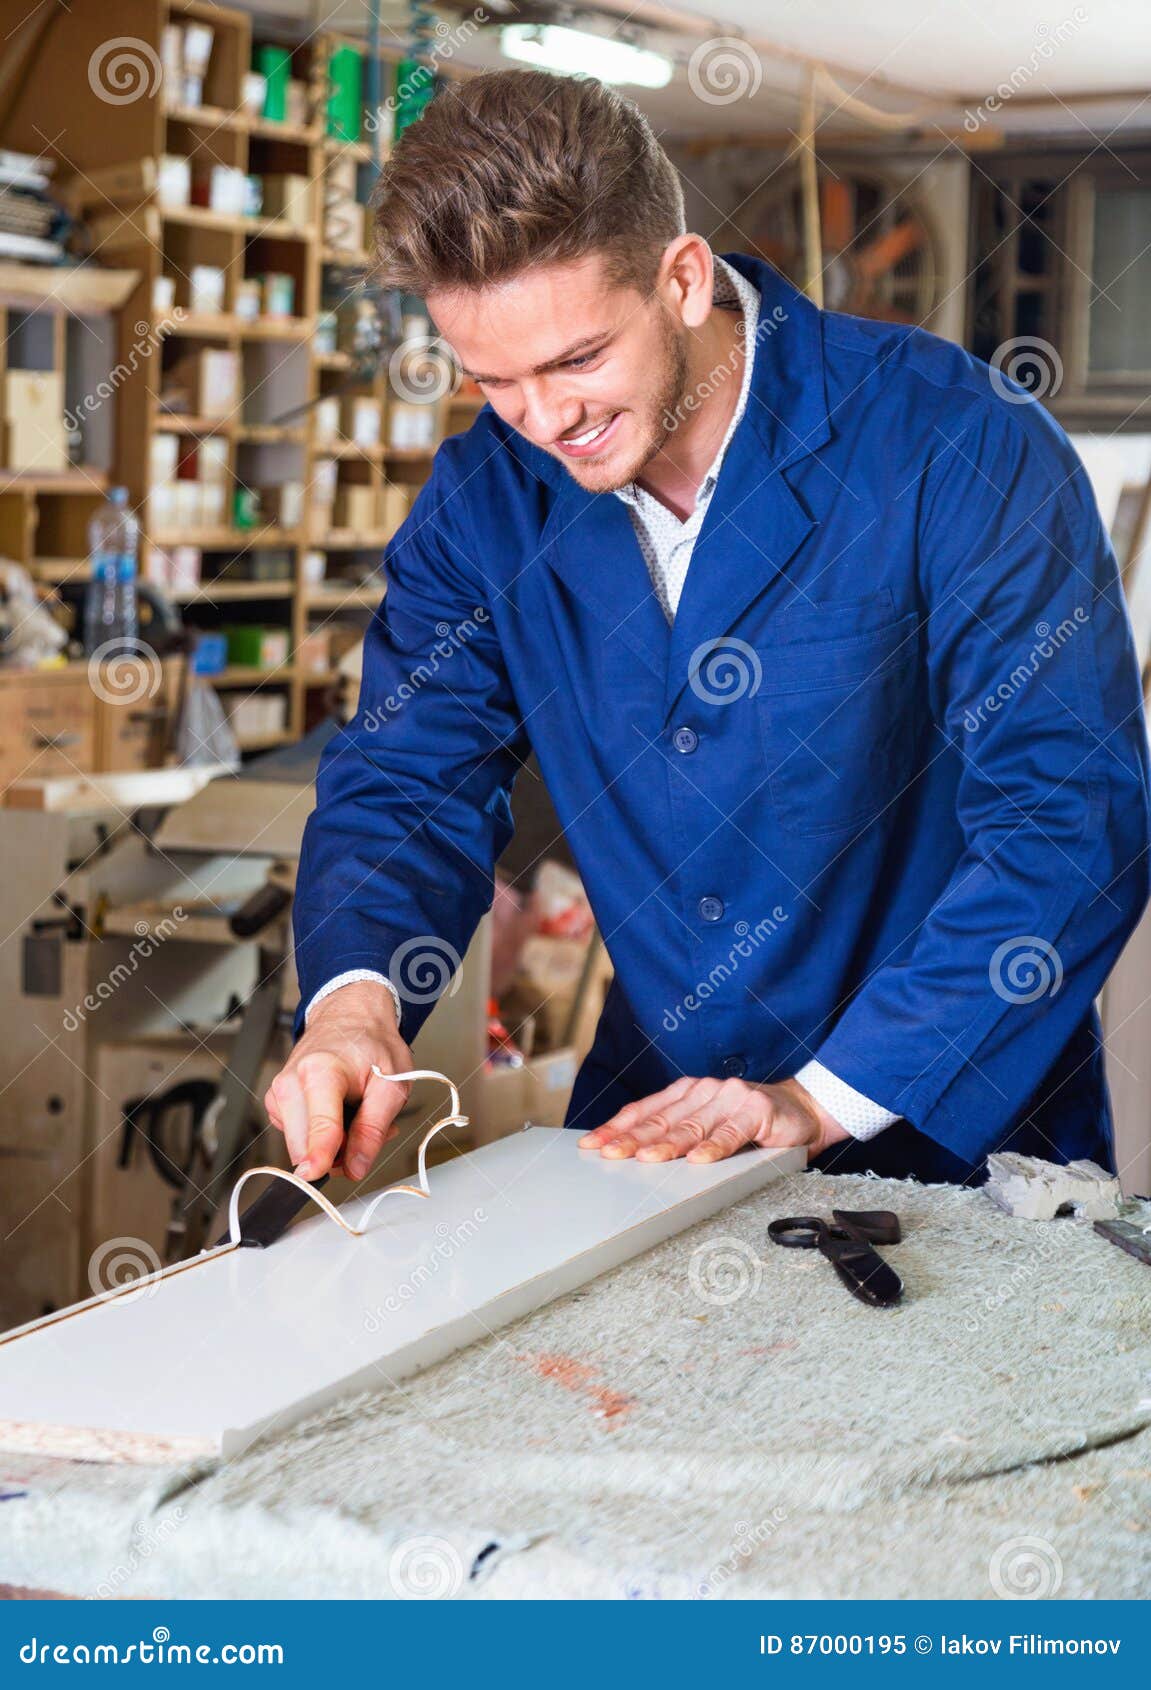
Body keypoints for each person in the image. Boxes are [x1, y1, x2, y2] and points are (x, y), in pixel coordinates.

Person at [267, 69, 1150, 1189]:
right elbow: (407, 779)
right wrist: (351, 1006)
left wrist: (818, 1098)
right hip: (656, 1125)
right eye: (492, 379)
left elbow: (1068, 822)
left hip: (953, 1126)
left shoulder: (954, 443)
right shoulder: (484, 499)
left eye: (577, 359)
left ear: (681, 280)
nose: (544, 421)